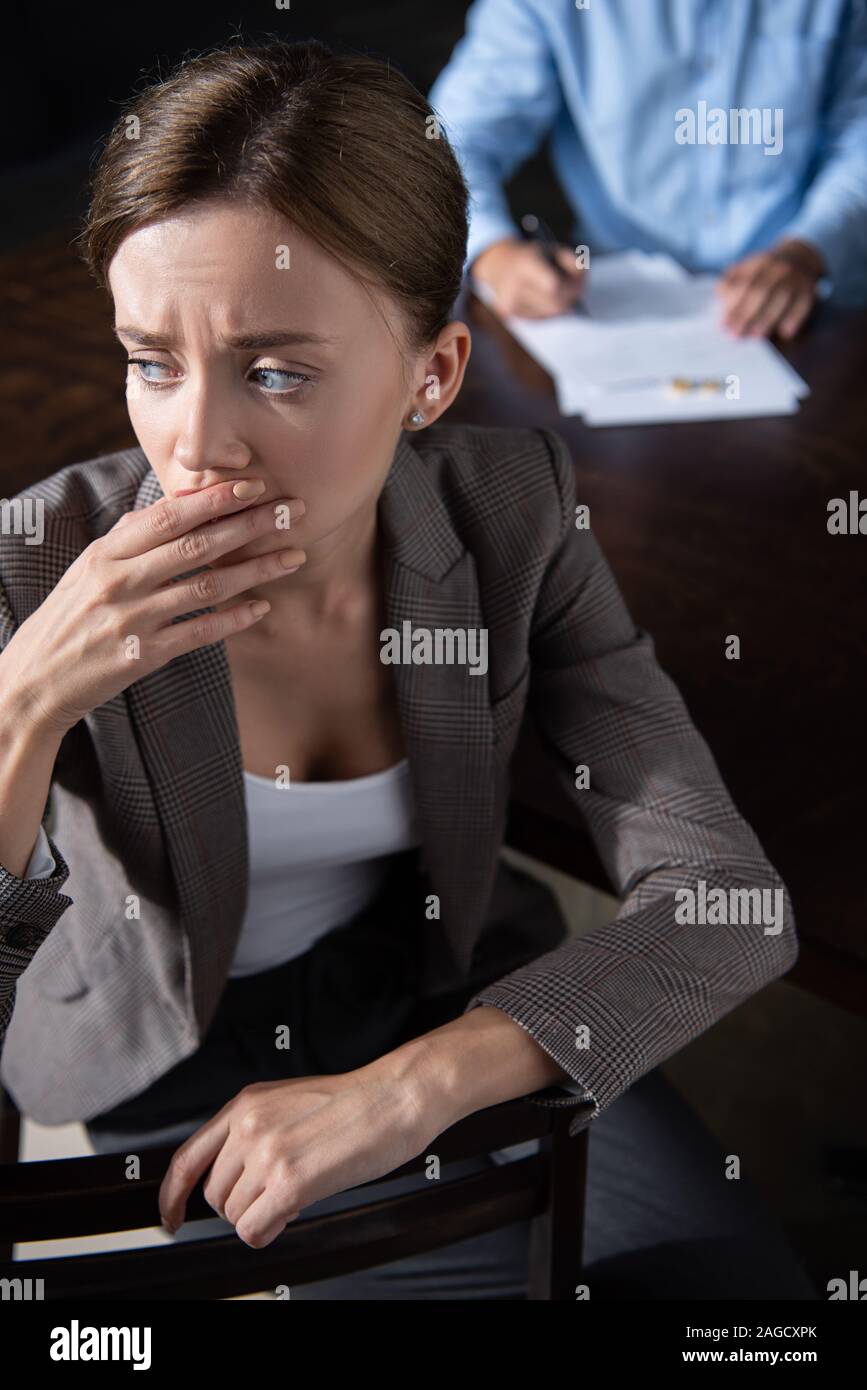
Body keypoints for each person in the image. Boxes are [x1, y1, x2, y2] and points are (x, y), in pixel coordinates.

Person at [0, 37, 816, 1299]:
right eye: (151, 361)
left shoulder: (515, 513)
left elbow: (727, 901)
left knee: (738, 1295)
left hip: (445, 997)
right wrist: (26, 701)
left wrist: (415, 1086)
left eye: (275, 371)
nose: (193, 444)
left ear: (432, 376)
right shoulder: (35, 556)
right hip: (164, 1058)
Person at [428, 0, 867, 333]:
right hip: (609, 301)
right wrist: (493, 252)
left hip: (816, 300)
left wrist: (809, 250)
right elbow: (457, 137)